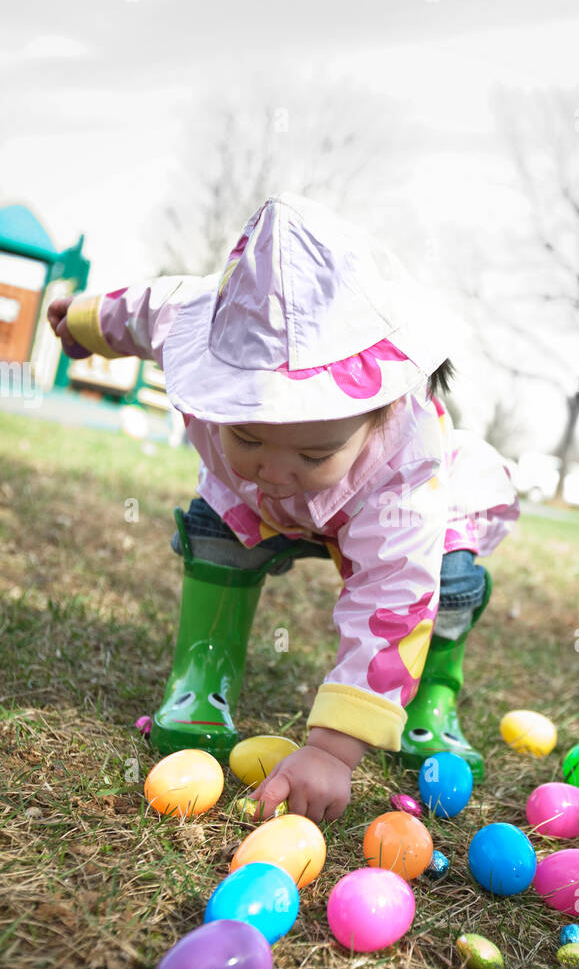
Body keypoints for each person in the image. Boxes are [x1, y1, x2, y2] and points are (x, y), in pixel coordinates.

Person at [49, 193, 519, 823]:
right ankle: (204, 672)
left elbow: (393, 597)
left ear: (380, 411)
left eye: (314, 451)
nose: (276, 470)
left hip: (373, 508)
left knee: (449, 581)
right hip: (253, 514)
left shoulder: (405, 464)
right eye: (247, 436)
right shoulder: (197, 320)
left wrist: (332, 748)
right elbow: (139, 310)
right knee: (215, 529)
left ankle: (432, 696)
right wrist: (78, 322)